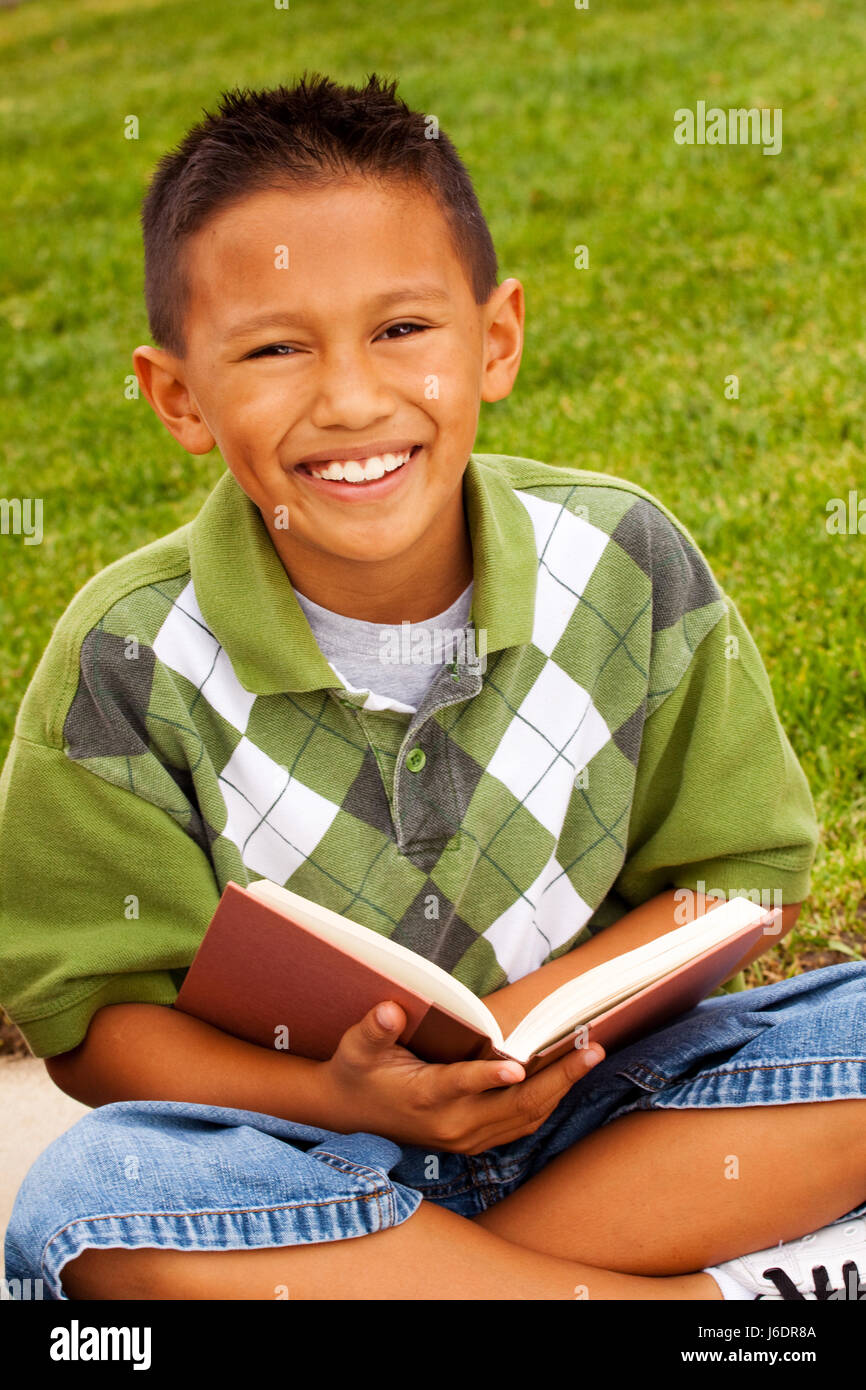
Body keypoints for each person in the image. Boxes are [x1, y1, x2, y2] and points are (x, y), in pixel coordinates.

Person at [2, 74, 865, 1302]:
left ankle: (426, 1289)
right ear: (178, 395)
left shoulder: (619, 560)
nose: (351, 398)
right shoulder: (124, 660)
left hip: (600, 1115)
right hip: (298, 1155)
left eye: (401, 329)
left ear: (494, 338)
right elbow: (90, 1028)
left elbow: (742, 879)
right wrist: (337, 1093)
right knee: (93, 1203)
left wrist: (512, 1035)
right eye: (273, 347)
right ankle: (699, 1307)